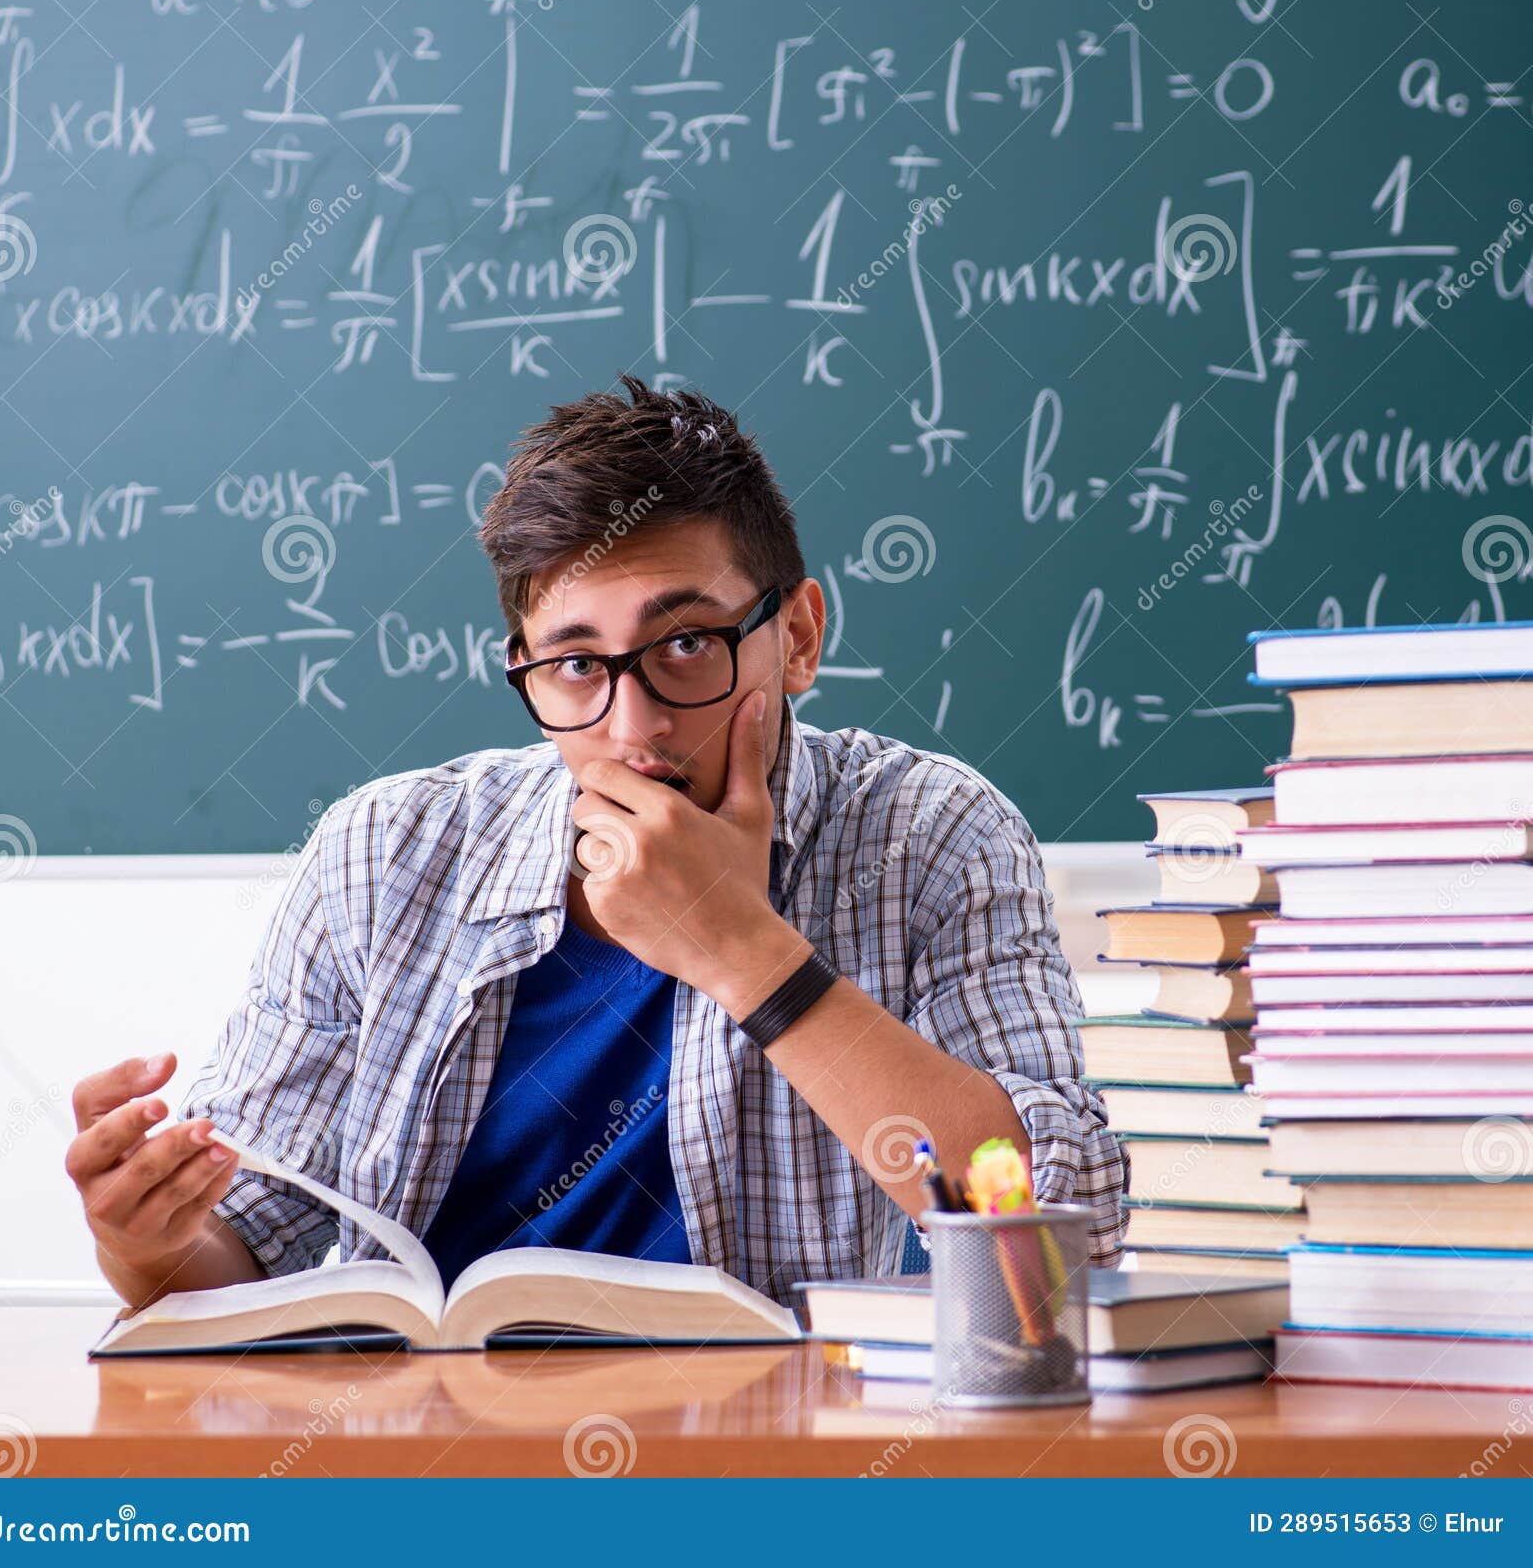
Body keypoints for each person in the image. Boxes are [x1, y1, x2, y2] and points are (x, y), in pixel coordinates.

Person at [65, 375, 1129, 1310]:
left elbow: (1052, 1230)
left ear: (797, 636)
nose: (634, 728)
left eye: (684, 643)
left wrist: (738, 949)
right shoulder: (381, 855)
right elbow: (235, 1261)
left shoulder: (929, 834)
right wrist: (145, 1239)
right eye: (575, 664)